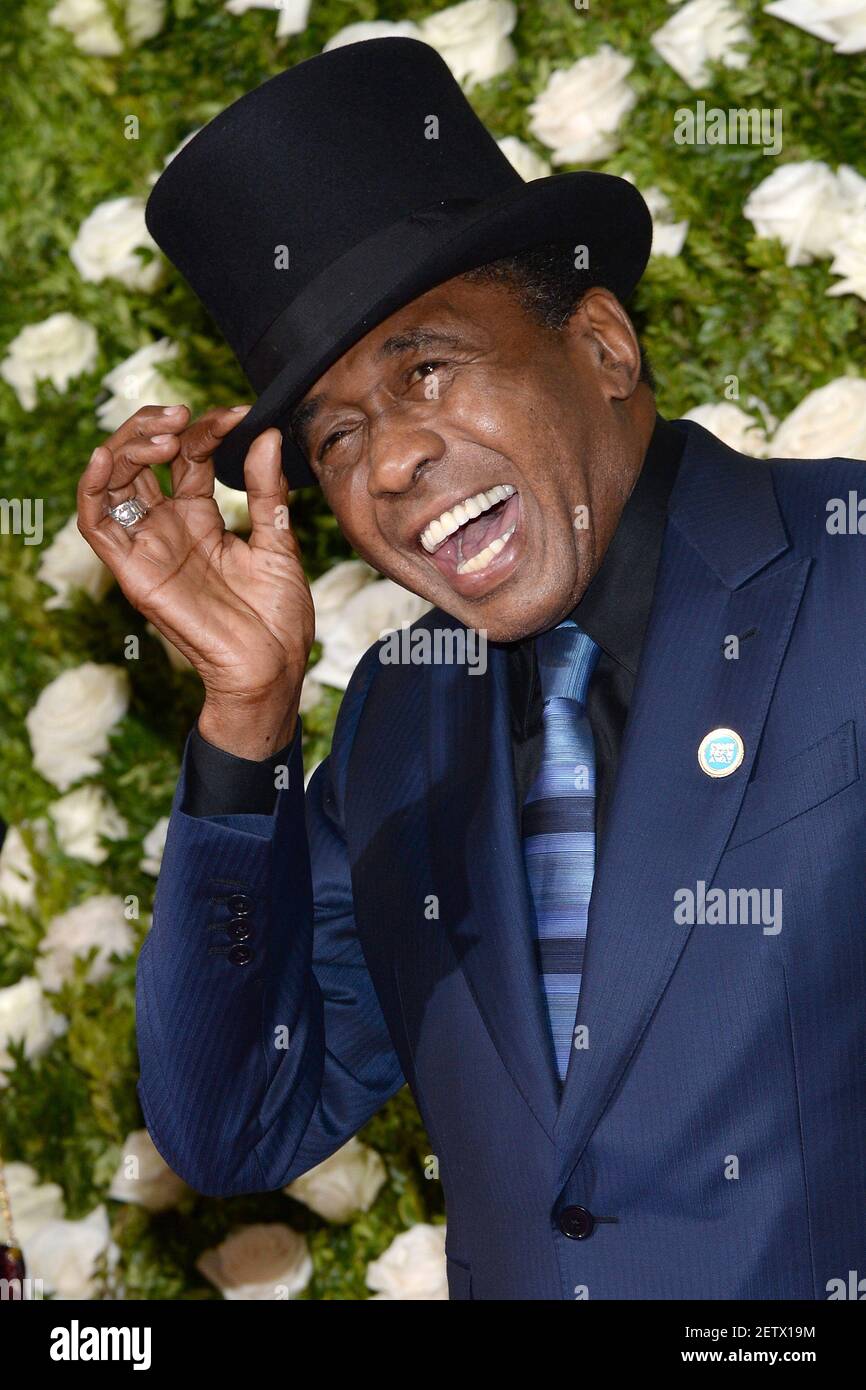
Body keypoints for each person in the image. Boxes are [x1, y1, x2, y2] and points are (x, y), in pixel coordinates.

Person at [77, 39, 866, 1300]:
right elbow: (236, 1123)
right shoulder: (399, 716)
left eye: (426, 370)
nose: (388, 465)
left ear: (601, 346)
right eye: (335, 436)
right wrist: (245, 721)